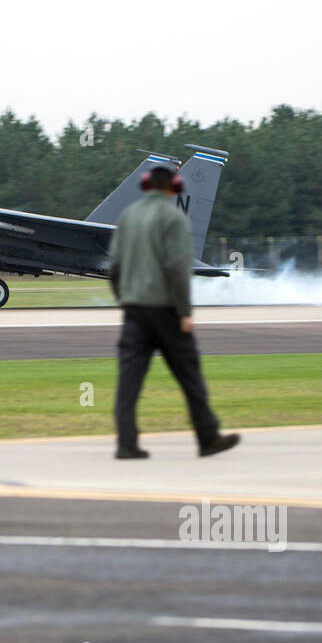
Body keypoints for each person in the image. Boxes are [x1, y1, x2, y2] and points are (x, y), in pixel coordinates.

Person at [109, 166, 240, 459]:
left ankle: (126, 444)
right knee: (190, 377)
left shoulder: (128, 217)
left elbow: (115, 266)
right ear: (174, 187)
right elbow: (177, 269)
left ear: (145, 185)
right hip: (166, 311)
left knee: (128, 380)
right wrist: (185, 312)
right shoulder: (174, 218)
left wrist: (125, 301)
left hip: (135, 312)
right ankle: (207, 438)